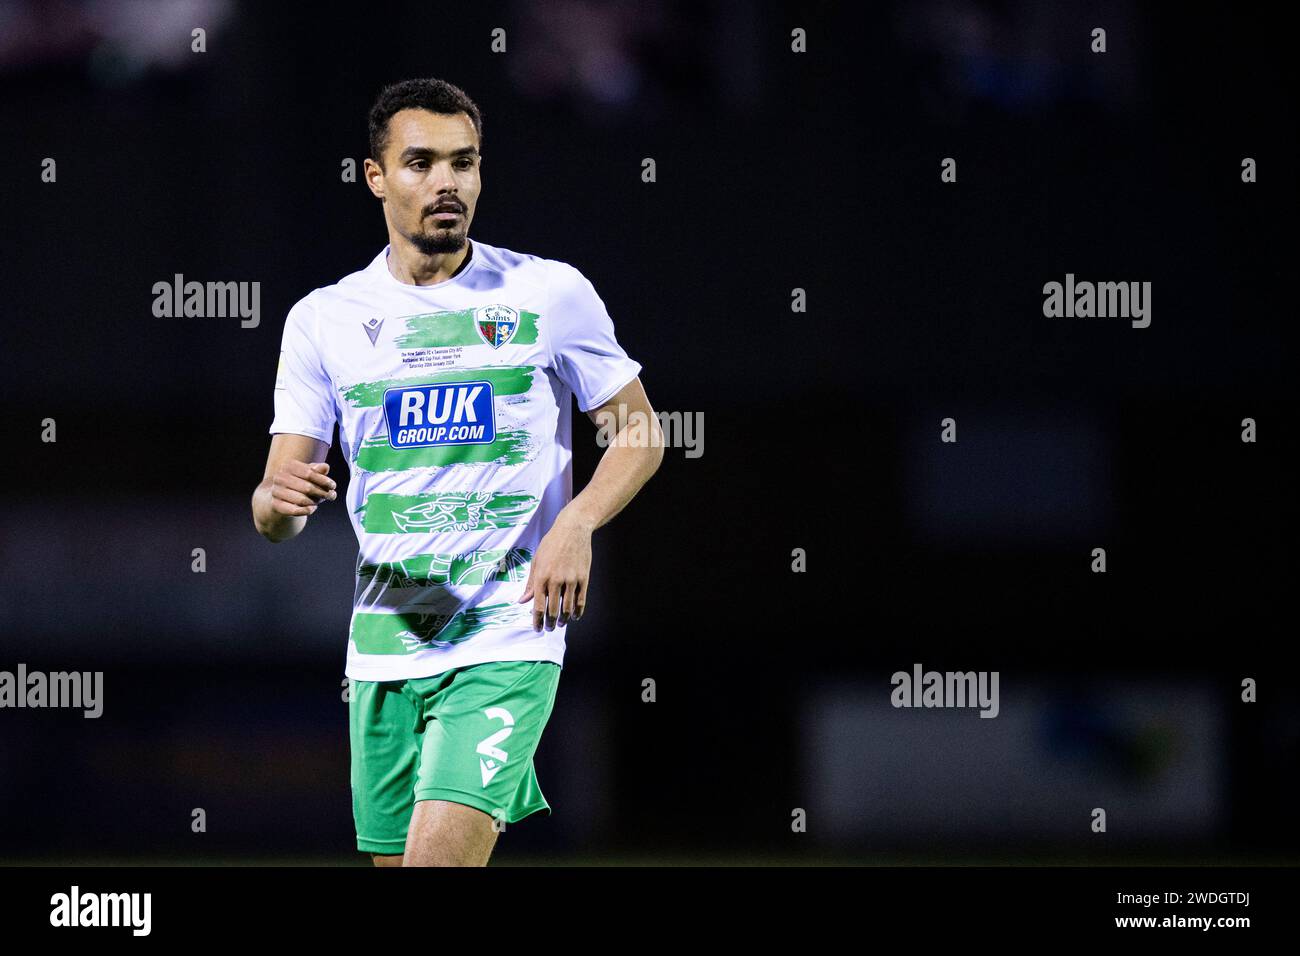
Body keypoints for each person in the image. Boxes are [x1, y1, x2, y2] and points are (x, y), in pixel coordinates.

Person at [250, 77, 662, 866]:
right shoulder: (323, 320)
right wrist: (275, 499)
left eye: (463, 163)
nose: (447, 183)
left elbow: (640, 431)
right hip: (388, 638)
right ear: (375, 177)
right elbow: (279, 509)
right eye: (421, 163)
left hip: (509, 636)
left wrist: (575, 524)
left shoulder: (548, 293)